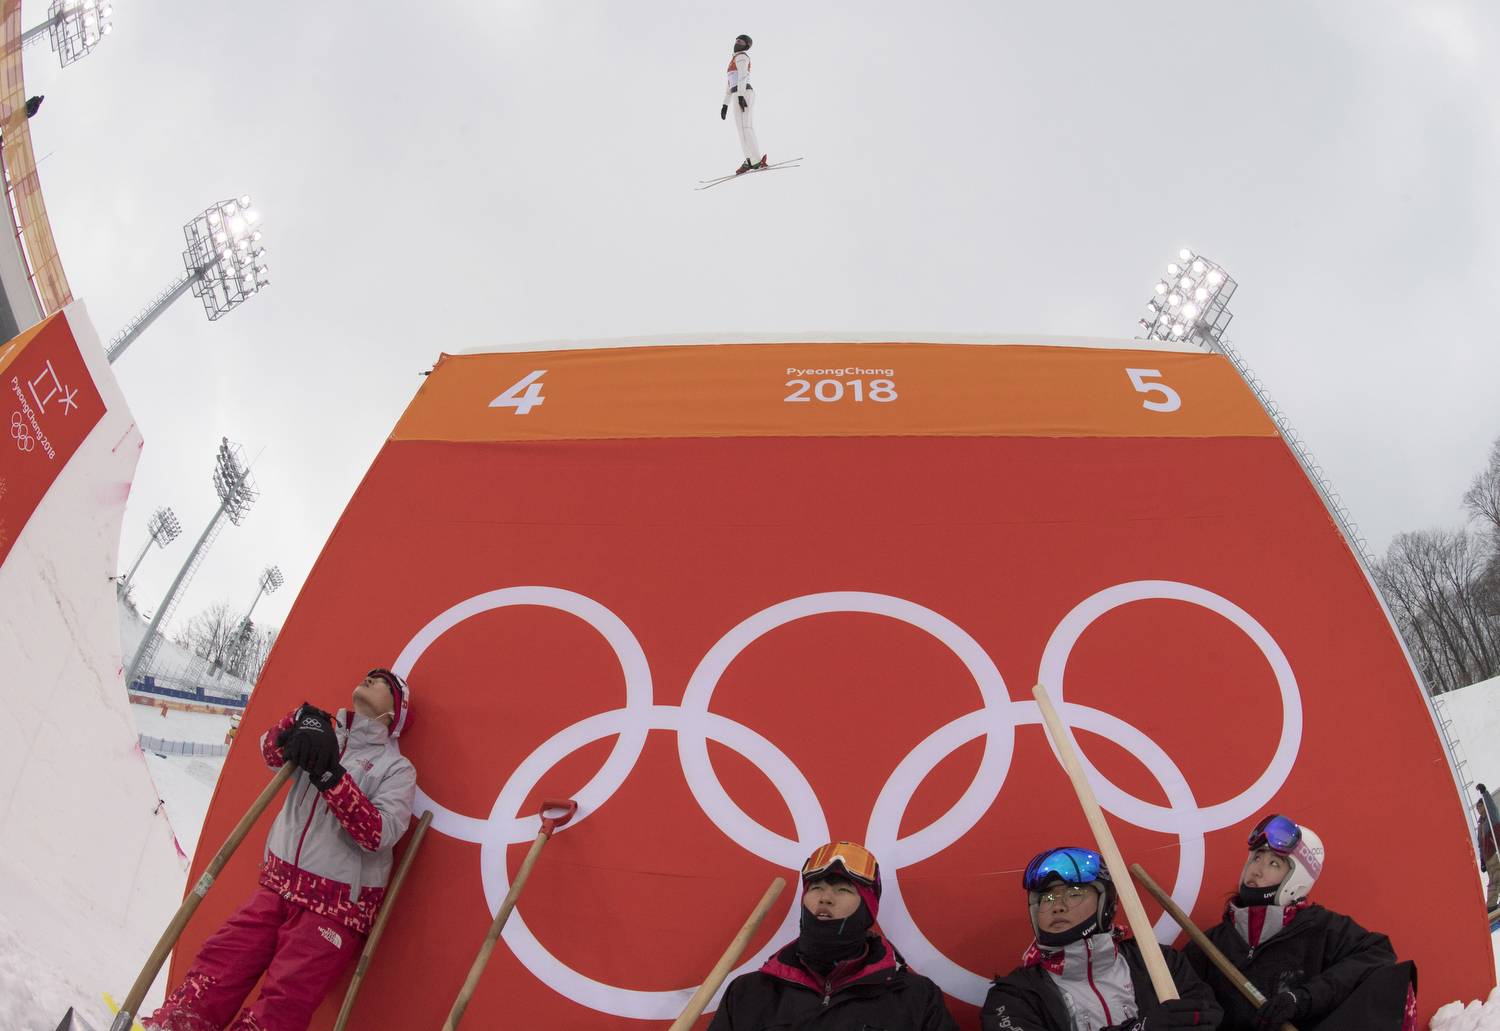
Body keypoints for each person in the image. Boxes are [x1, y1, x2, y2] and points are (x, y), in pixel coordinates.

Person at [144, 669, 418, 1031]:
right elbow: (270, 752)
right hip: (276, 886)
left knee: (281, 1007)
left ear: (395, 711)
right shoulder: (325, 737)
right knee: (217, 970)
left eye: (383, 680)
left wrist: (330, 775)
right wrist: (301, 718)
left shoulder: (396, 769)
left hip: (333, 908)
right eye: (369, 674)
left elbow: (378, 833)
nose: (370, 678)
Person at [1182, 814, 1417, 1031]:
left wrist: (1302, 999)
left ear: (1297, 880)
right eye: (1256, 858)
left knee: (1392, 981)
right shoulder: (1210, 944)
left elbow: (1380, 954)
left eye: (1274, 863)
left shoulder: (1323, 929)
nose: (1257, 870)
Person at [708, 840, 958, 1030]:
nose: (825, 898)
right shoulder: (749, 992)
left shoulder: (915, 997)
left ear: (867, 909)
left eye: (842, 890)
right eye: (816, 888)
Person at [984, 846, 1221, 1031]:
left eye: (1074, 893)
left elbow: (1209, 1015)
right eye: (1046, 899)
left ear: (1105, 904)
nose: (1057, 906)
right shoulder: (1013, 995)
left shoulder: (1160, 962)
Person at [719, 34, 767, 175]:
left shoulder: (742, 57)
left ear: (746, 45)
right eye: (736, 40)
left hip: (743, 93)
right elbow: (729, 84)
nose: (737, 43)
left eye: (740, 41)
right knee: (743, 129)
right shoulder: (733, 60)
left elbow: (742, 77)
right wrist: (725, 105)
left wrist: (740, 96)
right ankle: (750, 160)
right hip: (738, 93)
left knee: (745, 127)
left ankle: (756, 160)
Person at [1476, 785, 1500, 913]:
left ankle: (1491, 904)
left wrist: (1484, 792)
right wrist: (1482, 861)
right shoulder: (1480, 825)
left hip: (1495, 851)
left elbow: (1490, 805)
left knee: (1497, 878)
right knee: (1494, 879)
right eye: (1477, 808)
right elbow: (1480, 845)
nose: (1479, 809)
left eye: (1480, 806)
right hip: (1488, 856)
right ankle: (1491, 905)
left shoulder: (1492, 817)